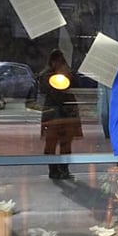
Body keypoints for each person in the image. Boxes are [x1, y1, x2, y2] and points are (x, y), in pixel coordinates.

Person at [37, 49, 82, 180]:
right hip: (53, 112)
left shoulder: (66, 74)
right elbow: (53, 91)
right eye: (58, 61)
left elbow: (76, 84)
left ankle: (64, 168)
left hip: (66, 112)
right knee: (51, 143)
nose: (60, 63)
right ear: (52, 62)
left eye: (62, 61)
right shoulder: (46, 75)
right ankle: (53, 169)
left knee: (66, 142)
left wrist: (68, 73)